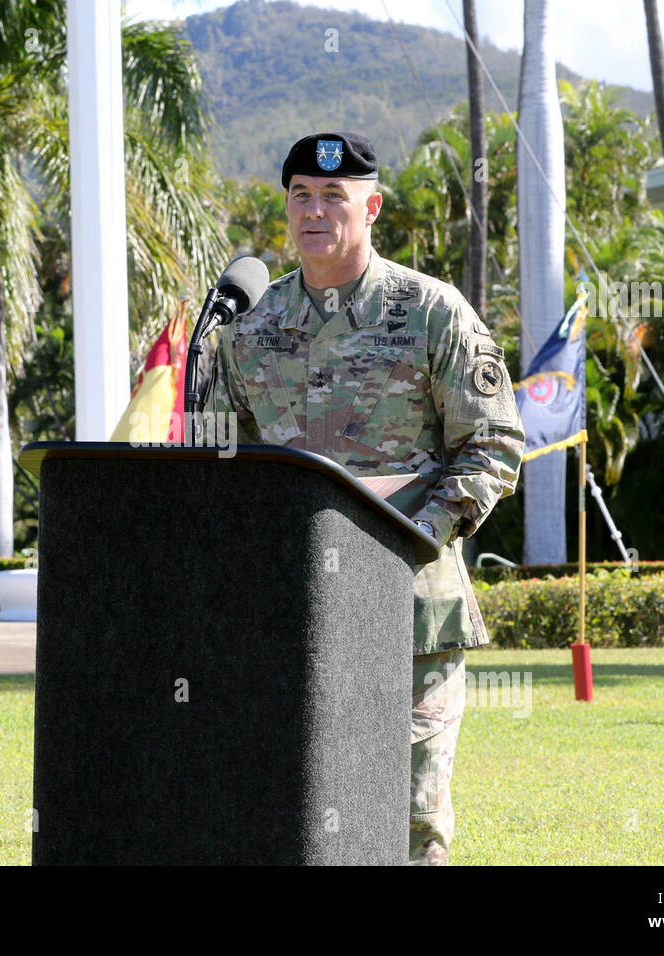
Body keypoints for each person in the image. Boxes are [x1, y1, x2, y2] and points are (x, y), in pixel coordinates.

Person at [205, 131, 525, 865]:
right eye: (300, 195)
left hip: (409, 611)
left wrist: (405, 536)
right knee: (291, 817)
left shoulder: (433, 313)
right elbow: (223, 468)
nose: (314, 211)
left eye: (334, 197)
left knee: (410, 827)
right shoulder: (246, 331)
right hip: (289, 616)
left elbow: (495, 446)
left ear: (372, 206)